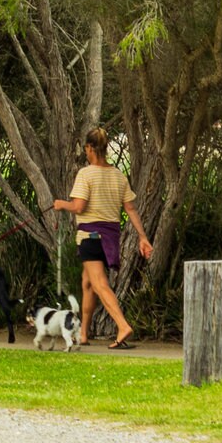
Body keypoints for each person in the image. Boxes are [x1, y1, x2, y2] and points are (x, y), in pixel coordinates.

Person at [49, 125, 153, 348]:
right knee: (87, 283)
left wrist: (61, 204)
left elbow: (79, 206)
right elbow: (131, 209)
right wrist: (143, 237)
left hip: (90, 236)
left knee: (98, 283)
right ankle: (83, 334)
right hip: (110, 238)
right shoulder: (118, 175)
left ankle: (122, 325)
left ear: (90, 148)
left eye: (86, 149)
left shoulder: (85, 174)